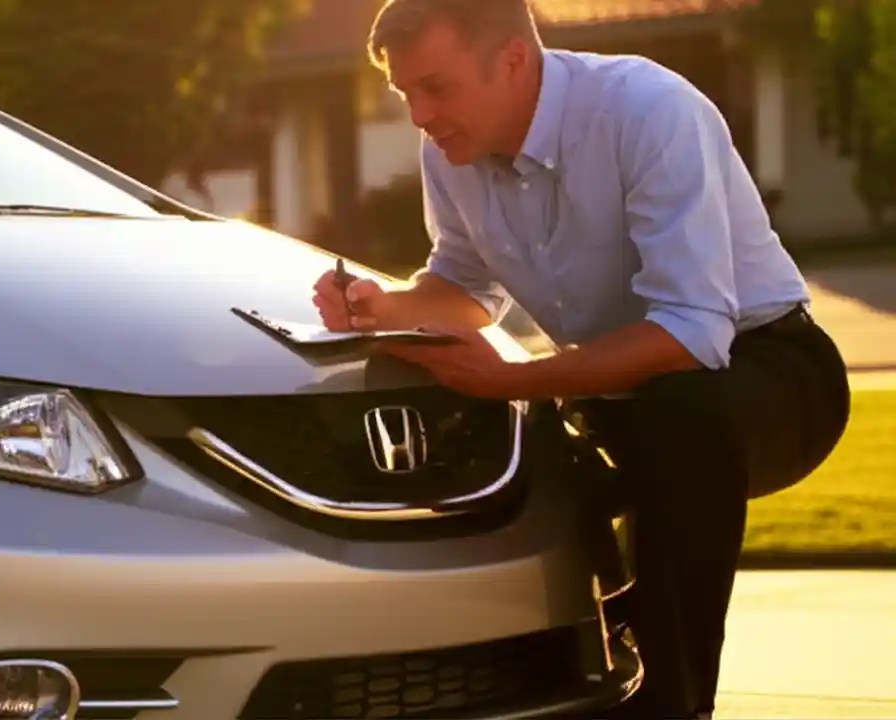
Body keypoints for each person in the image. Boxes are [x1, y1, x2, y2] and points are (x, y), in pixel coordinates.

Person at [311, 0, 852, 717]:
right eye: (406, 92)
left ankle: (670, 702)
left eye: (436, 87)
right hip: (614, 389)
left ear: (511, 59)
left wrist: (516, 381)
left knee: (680, 414)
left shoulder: (649, 111)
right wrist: (384, 307)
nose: (420, 114)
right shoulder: (452, 149)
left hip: (768, 375)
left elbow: (691, 337)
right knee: (496, 449)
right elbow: (465, 288)